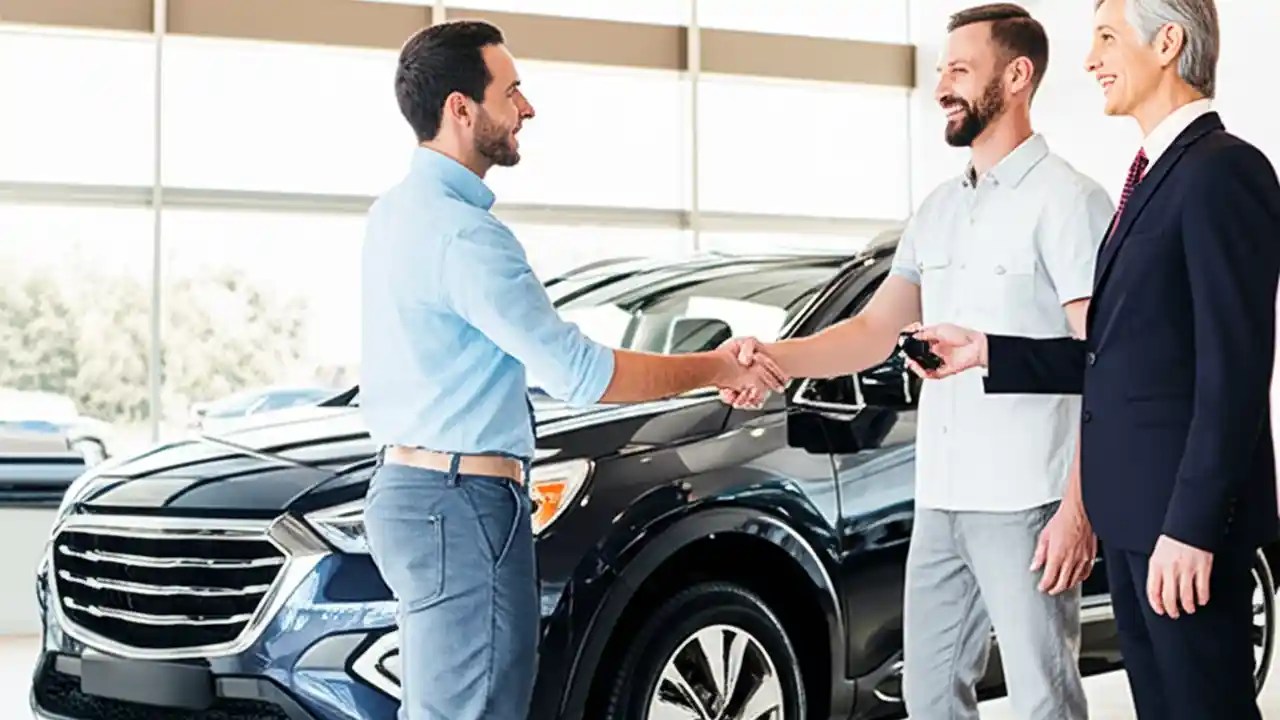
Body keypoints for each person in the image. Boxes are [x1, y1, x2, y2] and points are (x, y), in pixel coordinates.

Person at [358, 20, 785, 720]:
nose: (527, 108)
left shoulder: (396, 213)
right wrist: (714, 366)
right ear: (461, 109)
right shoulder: (466, 234)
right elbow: (581, 373)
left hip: (412, 490)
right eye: (512, 90)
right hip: (460, 503)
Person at [721, 4, 1113, 718]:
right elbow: (873, 330)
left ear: (1018, 76)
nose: (941, 88)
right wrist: (771, 355)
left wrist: (1078, 509)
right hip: (938, 498)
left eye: (959, 70)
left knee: (1041, 700)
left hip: (1029, 501)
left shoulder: (1071, 202)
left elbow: (1104, 361)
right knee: (930, 698)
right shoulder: (936, 210)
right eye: (940, 72)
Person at [909, 1, 1280, 717]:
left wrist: (1192, 528)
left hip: (1180, 528)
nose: (1088, 62)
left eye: (1107, 39)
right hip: (1139, 522)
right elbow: (1118, 356)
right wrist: (988, 351)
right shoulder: (1151, 176)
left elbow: (1234, 374)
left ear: (1167, 43)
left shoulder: (1223, 172)